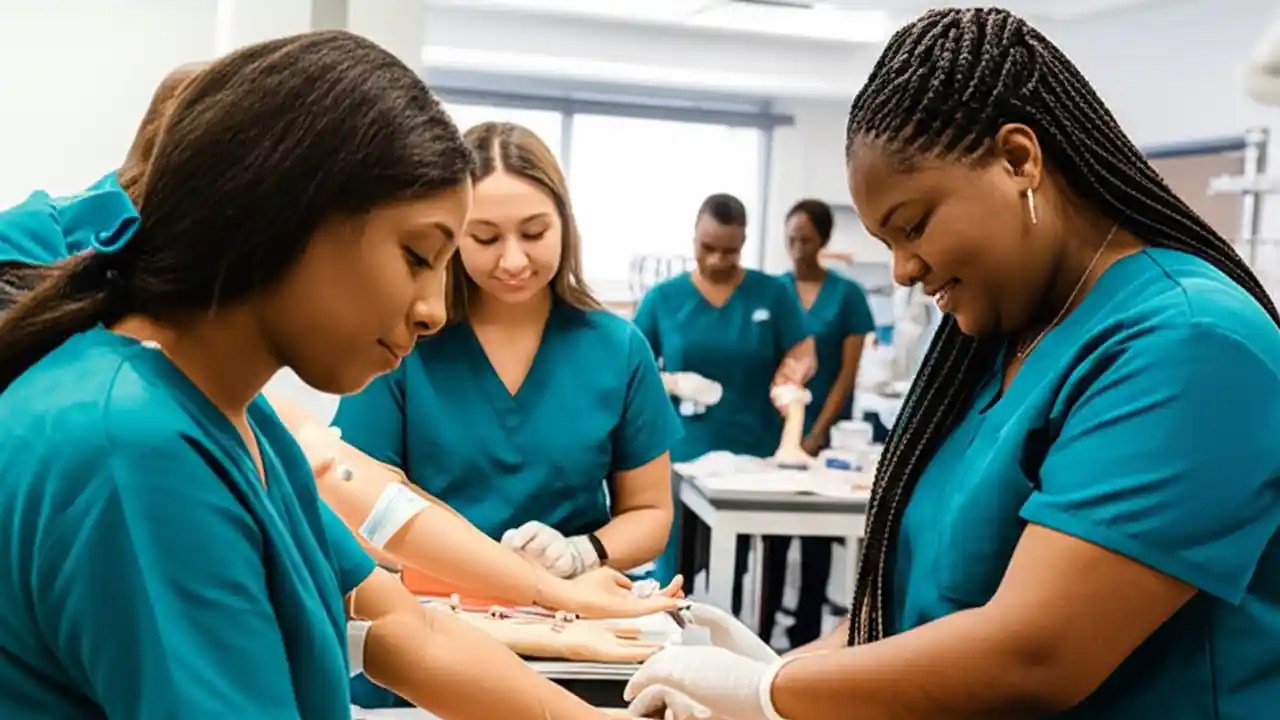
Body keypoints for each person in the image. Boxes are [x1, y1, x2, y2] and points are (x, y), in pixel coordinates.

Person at [623, 7, 1280, 719]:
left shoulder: (1191, 343)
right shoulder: (990, 349)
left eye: (913, 225)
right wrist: (777, 667)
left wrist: (767, 692)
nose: (903, 270)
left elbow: (1036, 653)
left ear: (1019, 159)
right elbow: (907, 619)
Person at [0, 31, 615, 719]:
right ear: (288, 214)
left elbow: (409, 627)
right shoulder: (136, 450)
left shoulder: (231, 414)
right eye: (418, 256)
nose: (434, 310)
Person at [333, 121, 681, 707]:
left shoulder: (616, 348)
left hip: (578, 634)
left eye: (535, 232)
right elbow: (360, 511)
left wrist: (580, 553)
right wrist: (489, 572)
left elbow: (649, 511)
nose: (513, 259)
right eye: (486, 237)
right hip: (431, 640)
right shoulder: (406, 340)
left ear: (565, 226)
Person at [633, 192, 816, 603]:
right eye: (707, 248)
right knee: (678, 567)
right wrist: (669, 381)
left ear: (744, 243)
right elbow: (630, 365)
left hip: (756, 455)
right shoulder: (665, 298)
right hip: (683, 454)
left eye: (729, 251)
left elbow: (804, 350)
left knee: (749, 573)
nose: (717, 260)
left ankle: (751, 655)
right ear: (693, 237)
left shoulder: (772, 294)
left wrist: (794, 371)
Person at [759, 198, 876, 648]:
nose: (798, 247)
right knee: (771, 539)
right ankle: (763, 635)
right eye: (791, 238)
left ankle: (806, 639)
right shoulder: (774, 290)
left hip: (827, 438)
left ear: (824, 240)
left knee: (816, 544)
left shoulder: (847, 296)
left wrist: (815, 432)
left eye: (807, 238)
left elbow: (846, 374)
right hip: (776, 434)